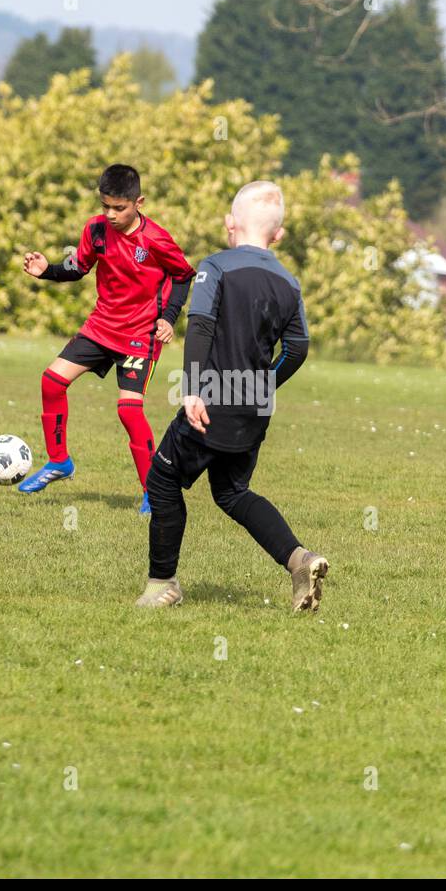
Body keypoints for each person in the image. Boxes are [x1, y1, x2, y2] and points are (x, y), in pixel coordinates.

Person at [137, 181, 328, 611]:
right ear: (277, 235)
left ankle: (162, 584)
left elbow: (200, 326)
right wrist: (265, 386)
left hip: (211, 399)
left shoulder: (216, 266)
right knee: (232, 491)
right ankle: (301, 560)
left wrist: (192, 391)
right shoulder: (289, 282)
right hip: (254, 409)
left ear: (230, 223)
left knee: (162, 480)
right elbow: (297, 349)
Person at [19, 164, 195, 514]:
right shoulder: (96, 230)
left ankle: (153, 490)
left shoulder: (156, 239)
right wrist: (48, 271)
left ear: (138, 202)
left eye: (120, 208)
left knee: (128, 410)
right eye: (106, 206)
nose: (111, 215)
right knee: (52, 381)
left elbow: (183, 276)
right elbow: (79, 267)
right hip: (101, 327)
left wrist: (168, 318)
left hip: (139, 334)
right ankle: (59, 461)